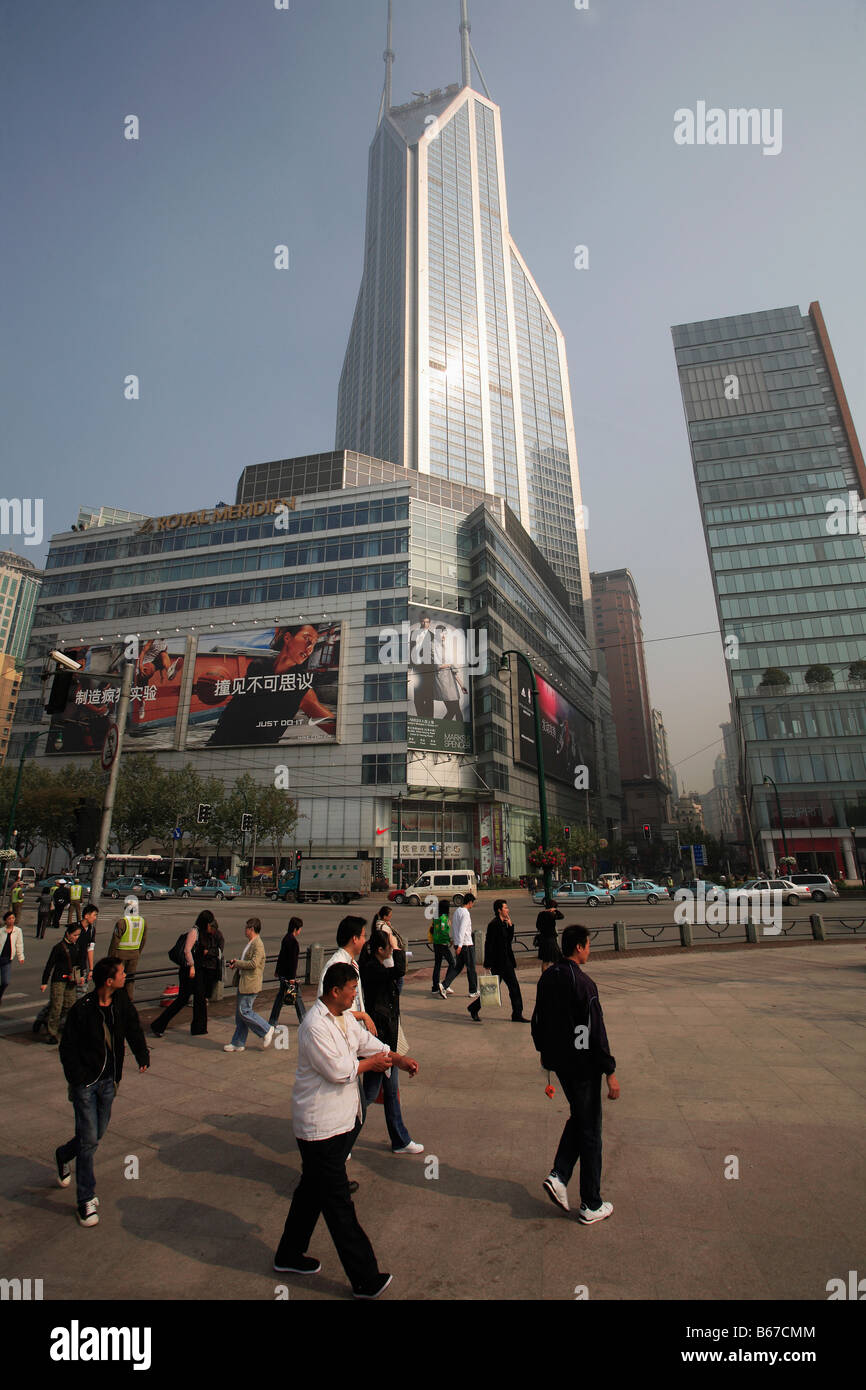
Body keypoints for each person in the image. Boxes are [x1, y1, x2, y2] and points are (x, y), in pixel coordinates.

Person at [273, 961, 418, 1298]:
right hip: (318, 1126)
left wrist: (396, 1059)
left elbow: (366, 1042)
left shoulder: (342, 1018)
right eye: (352, 989)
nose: (356, 995)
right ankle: (365, 1278)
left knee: (311, 1192)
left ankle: (288, 1253)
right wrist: (372, 1065)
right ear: (335, 991)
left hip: (337, 1122)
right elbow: (338, 1070)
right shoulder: (314, 1026)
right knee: (339, 1206)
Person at [531, 924, 619, 1224]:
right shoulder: (583, 984)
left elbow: (537, 1021)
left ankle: (560, 1175)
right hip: (582, 1066)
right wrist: (609, 1070)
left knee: (580, 1117)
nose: (589, 950)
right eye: (588, 945)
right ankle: (590, 1202)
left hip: (558, 1062)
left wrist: (545, 1051)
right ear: (579, 947)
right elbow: (595, 1031)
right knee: (591, 1130)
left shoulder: (548, 978)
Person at [55, 956, 150, 1227]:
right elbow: (67, 1048)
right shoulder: (83, 1009)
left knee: (95, 1135)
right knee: (89, 1142)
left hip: (109, 1081)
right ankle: (85, 1199)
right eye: (121, 973)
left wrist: (141, 1053)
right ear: (109, 981)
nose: (125, 976)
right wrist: (78, 1079)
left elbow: (132, 1026)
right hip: (86, 1084)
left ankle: (63, 1155)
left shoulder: (120, 1002)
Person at [207, 623, 336, 746]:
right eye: (306, 638)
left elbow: (333, 726)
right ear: (287, 637)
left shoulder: (300, 688)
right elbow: (239, 703)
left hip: (254, 754)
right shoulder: (257, 666)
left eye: (313, 643)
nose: (309, 648)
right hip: (218, 742)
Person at [359, 928, 423, 1155]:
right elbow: (400, 971)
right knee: (367, 1095)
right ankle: (341, 1139)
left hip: (387, 1037)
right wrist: (397, 949)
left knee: (389, 1091)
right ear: (380, 950)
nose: (392, 948)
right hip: (380, 1040)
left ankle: (400, 1140)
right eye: (389, 946)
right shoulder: (373, 970)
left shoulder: (376, 965)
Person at [150, 910, 215, 1038]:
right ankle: (158, 1025)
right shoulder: (194, 931)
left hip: (197, 970)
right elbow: (187, 951)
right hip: (190, 971)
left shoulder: (202, 933)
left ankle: (199, 1028)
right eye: (209, 922)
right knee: (183, 999)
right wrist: (191, 966)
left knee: (199, 998)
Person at [318, 917, 378, 1035]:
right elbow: (328, 1008)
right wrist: (362, 1015)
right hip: (340, 1033)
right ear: (355, 939)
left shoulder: (353, 964)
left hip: (354, 1032)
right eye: (363, 936)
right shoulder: (335, 967)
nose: (365, 940)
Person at [224, 918, 274, 1052]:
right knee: (240, 1015)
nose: (244, 930)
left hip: (250, 983)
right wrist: (237, 962)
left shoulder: (258, 944)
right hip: (244, 982)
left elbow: (253, 964)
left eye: (246, 928)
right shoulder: (251, 943)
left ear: (252, 929)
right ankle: (238, 1043)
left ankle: (266, 1029)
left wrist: (238, 963)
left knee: (244, 1011)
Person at [483, 899, 528, 1023]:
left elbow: (508, 940)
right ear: (499, 910)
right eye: (505, 908)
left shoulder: (503, 923)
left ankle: (517, 1014)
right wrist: (487, 963)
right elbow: (489, 944)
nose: (507, 910)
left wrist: (510, 925)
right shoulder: (494, 924)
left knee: (514, 987)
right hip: (498, 962)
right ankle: (474, 1008)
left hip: (506, 961)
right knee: (492, 988)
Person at [40, 923, 83, 1043]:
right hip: (58, 980)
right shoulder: (59, 947)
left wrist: (81, 975)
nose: (76, 937)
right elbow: (49, 965)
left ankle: (49, 1020)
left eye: (78, 935)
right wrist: (44, 982)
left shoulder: (76, 946)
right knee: (56, 1006)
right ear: (68, 934)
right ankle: (51, 1033)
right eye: (75, 935)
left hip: (71, 981)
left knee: (69, 1005)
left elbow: (79, 961)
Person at [441, 892, 480, 1020]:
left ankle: (445, 984)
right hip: (466, 945)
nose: (472, 905)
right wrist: (460, 946)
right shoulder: (465, 913)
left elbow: (455, 929)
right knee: (471, 968)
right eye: (472, 903)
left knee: (458, 967)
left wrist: (456, 943)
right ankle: (473, 990)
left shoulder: (457, 911)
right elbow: (463, 929)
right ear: (470, 902)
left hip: (460, 943)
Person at [269, 916, 307, 1028]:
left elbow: (281, 957)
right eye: (300, 928)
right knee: (296, 996)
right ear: (296, 929)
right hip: (288, 975)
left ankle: (273, 1020)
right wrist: (292, 978)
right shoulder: (293, 942)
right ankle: (303, 1019)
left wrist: (277, 971)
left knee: (281, 997)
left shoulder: (286, 938)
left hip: (282, 973)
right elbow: (293, 962)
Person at [109, 895, 147, 1000]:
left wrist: (111, 956)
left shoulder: (122, 922)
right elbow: (143, 939)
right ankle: (129, 999)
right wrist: (138, 951)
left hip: (120, 954)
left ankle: (117, 999)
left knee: (117, 977)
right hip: (134, 953)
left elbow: (115, 941)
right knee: (130, 978)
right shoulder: (142, 921)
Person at [433, 624, 468, 720]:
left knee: (455, 711)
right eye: (441, 633)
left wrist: (462, 685)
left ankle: (441, 731)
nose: (444, 635)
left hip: (451, 681)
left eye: (445, 633)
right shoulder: (433, 647)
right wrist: (450, 665)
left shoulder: (445, 647)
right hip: (442, 681)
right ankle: (441, 731)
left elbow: (453, 670)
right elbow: (438, 666)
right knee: (455, 710)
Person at [196, 911, 224, 1003]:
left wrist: (208, 952)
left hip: (212, 965)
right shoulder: (203, 933)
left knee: (208, 986)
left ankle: (205, 999)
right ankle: (202, 999)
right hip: (203, 964)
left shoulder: (218, 935)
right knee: (201, 986)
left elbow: (219, 951)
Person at [430, 898, 455, 997]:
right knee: (453, 963)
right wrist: (449, 940)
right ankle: (445, 984)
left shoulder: (436, 917)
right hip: (442, 944)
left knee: (437, 965)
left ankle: (435, 987)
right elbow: (444, 932)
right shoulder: (444, 918)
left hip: (436, 943)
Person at [0, 909, 25, 1004]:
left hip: (7, 959)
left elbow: (19, 944)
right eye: (9, 918)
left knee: (5, 981)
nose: (11, 920)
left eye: (13, 918)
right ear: (5, 920)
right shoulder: (1, 931)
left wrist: (20, 956)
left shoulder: (18, 931)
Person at [535, 898, 564, 970]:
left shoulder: (541, 914)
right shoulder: (551, 915)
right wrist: (555, 911)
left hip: (543, 939)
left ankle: (544, 977)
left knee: (545, 961)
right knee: (557, 959)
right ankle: (557, 974)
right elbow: (561, 916)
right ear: (553, 907)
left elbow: (537, 926)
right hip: (551, 939)